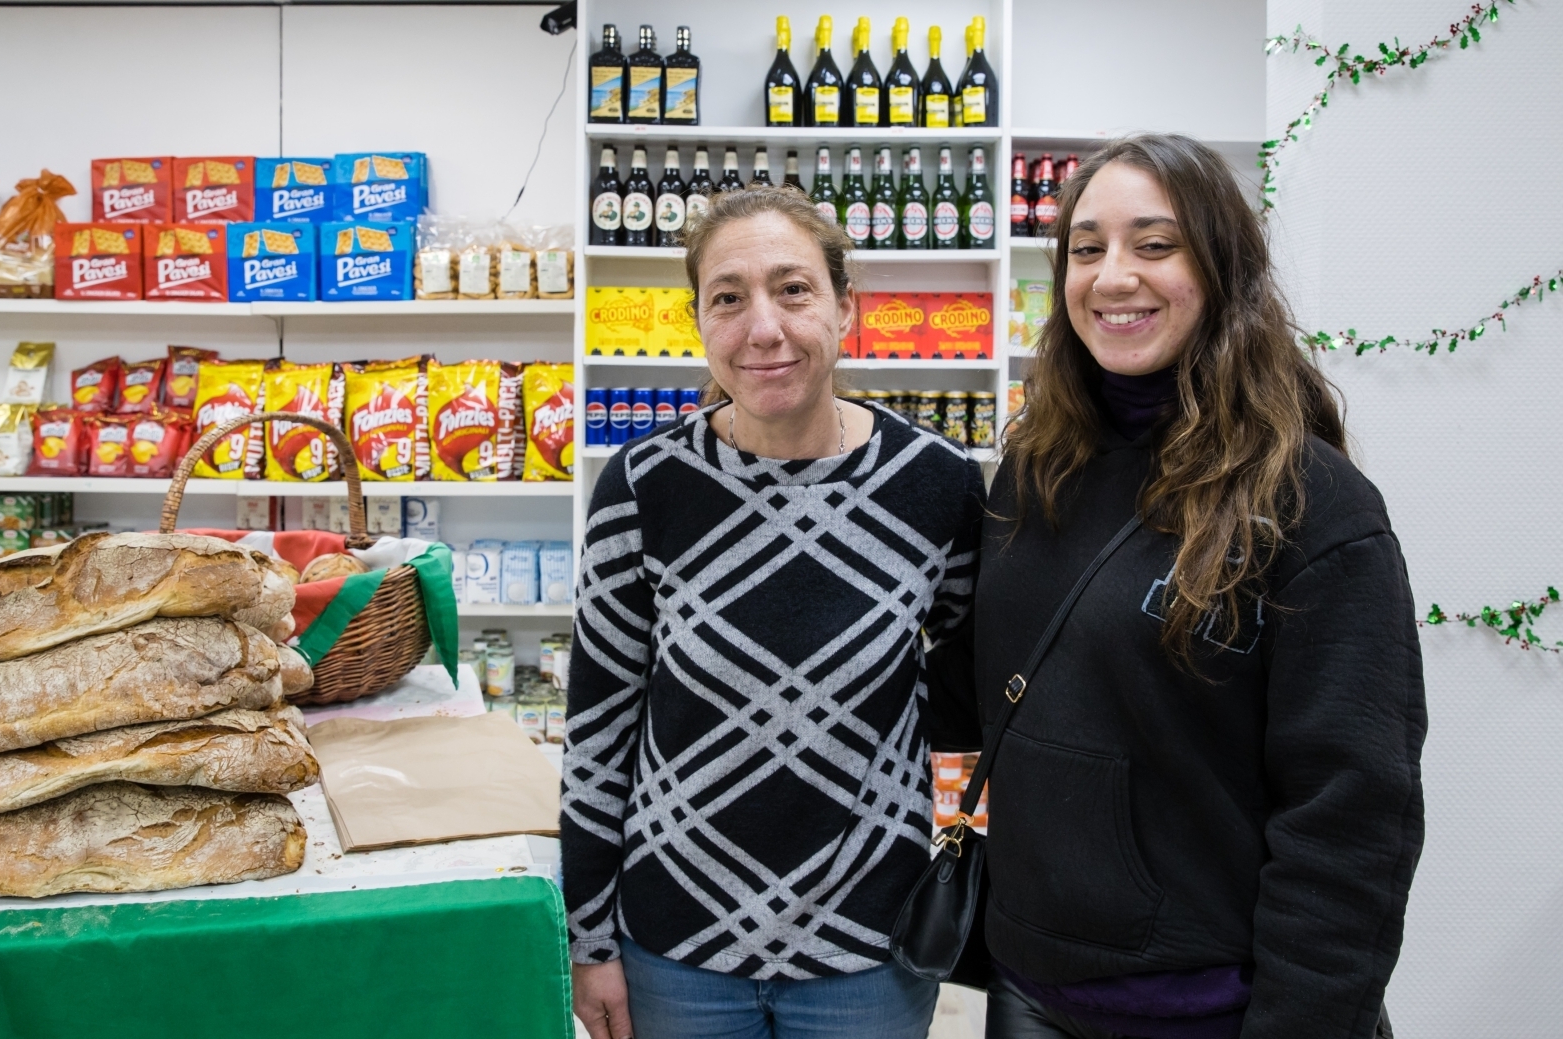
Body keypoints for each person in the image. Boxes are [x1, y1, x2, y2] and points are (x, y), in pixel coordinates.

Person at [929, 134, 1425, 1039]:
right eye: (1087, 248)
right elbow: (975, 684)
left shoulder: (1311, 504)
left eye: (1155, 244)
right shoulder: (1036, 470)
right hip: (1029, 986)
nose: (1113, 275)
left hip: (1211, 1008)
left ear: (1224, 267)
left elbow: (1350, 820)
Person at [562, 186, 984, 1039]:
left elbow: (965, 710)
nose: (764, 328)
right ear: (698, 320)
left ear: (845, 305)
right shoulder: (643, 486)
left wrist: (959, 872)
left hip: (873, 953)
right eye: (728, 297)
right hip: (674, 951)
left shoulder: (937, 483)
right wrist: (588, 939)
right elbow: (598, 732)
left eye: (793, 289)